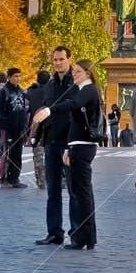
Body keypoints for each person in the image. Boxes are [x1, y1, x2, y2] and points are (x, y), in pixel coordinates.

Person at [32, 57, 102, 249]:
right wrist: (69, 148)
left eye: (78, 71)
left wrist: (49, 110)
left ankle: (83, 237)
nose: (74, 74)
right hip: (77, 145)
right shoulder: (84, 89)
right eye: (74, 72)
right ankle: (87, 237)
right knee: (81, 192)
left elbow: (73, 104)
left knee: (81, 193)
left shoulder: (88, 89)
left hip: (83, 146)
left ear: (88, 73)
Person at [34, 46, 75, 246]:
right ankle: (54, 232)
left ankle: (77, 232)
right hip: (51, 142)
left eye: (61, 59)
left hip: (70, 142)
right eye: (55, 60)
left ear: (69, 59)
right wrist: (39, 135)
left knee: (74, 190)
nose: (58, 63)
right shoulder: (50, 85)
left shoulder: (76, 82)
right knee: (53, 191)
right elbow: (45, 109)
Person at [0, 69, 30, 188]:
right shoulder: (4, 91)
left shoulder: (21, 91)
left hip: (19, 128)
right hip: (8, 129)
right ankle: (5, 178)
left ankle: (15, 178)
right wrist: (6, 125)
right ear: (9, 77)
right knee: (8, 153)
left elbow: (24, 109)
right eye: (15, 76)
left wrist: (24, 126)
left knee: (17, 153)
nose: (18, 78)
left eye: (19, 76)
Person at [26, 69, 50, 191]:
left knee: (38, 156)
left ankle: (40, 181)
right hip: (51, 127)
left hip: (36, 128)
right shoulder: (51, 91)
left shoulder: (30, 92)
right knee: (52, 154)